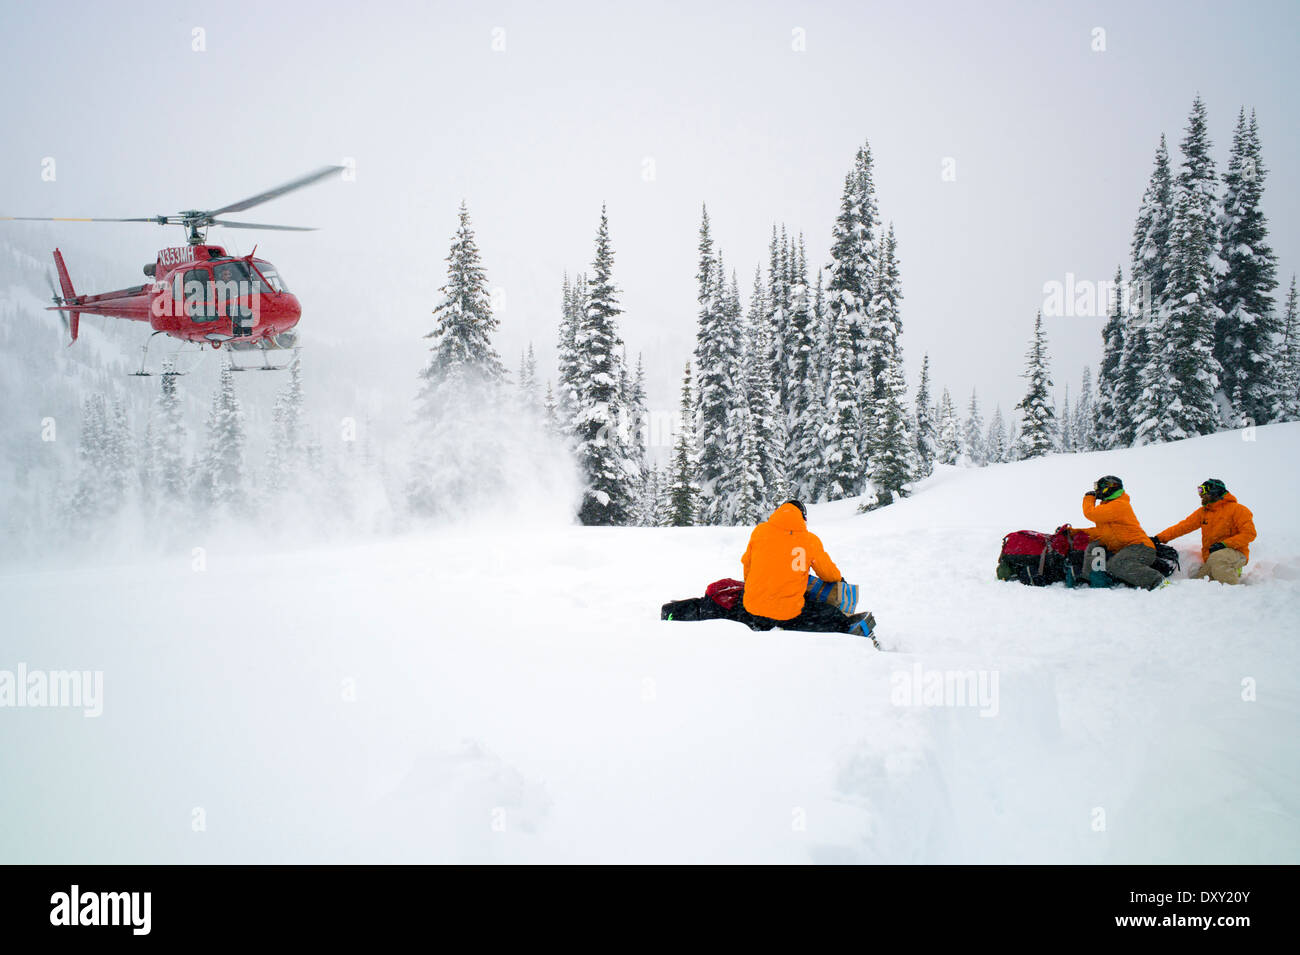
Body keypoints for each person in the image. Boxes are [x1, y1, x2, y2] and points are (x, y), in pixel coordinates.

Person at [739, 500, 869, 634]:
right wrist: (839, 579)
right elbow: (828, 574)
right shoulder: (809, 540)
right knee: (834, 616)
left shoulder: (759, 532)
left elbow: (747, 566)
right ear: (802, 517)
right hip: (787, 615)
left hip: (752, 610)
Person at [1155, 479, 1256, 585]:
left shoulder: (1238, 510)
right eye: (1199, 491)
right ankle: (1229, 572)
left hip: (1236, 552)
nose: (1200, 495)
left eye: (1203, 491)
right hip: (1211, 557)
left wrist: (1224, 544)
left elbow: (1249, 534)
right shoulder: (1204, 512)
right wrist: (1158, 538)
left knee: (1218, 559)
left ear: (1215, 492)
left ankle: (1234, 591)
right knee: (1201, 581)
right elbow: (1183, 527)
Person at [1080, 475, 1166, 590]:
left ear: (1109, 487)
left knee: (1116, 565)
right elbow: (1099, 532)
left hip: (1141, 548)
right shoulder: (1108, 508)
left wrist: (1089, 498)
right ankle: (1089, 578)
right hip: (1128, 549)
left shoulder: (1119, 505)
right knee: (1095, 546)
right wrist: (1073, 532)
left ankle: (1159, 582)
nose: (1097, 490)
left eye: (1099, 487)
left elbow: (1090, 513)